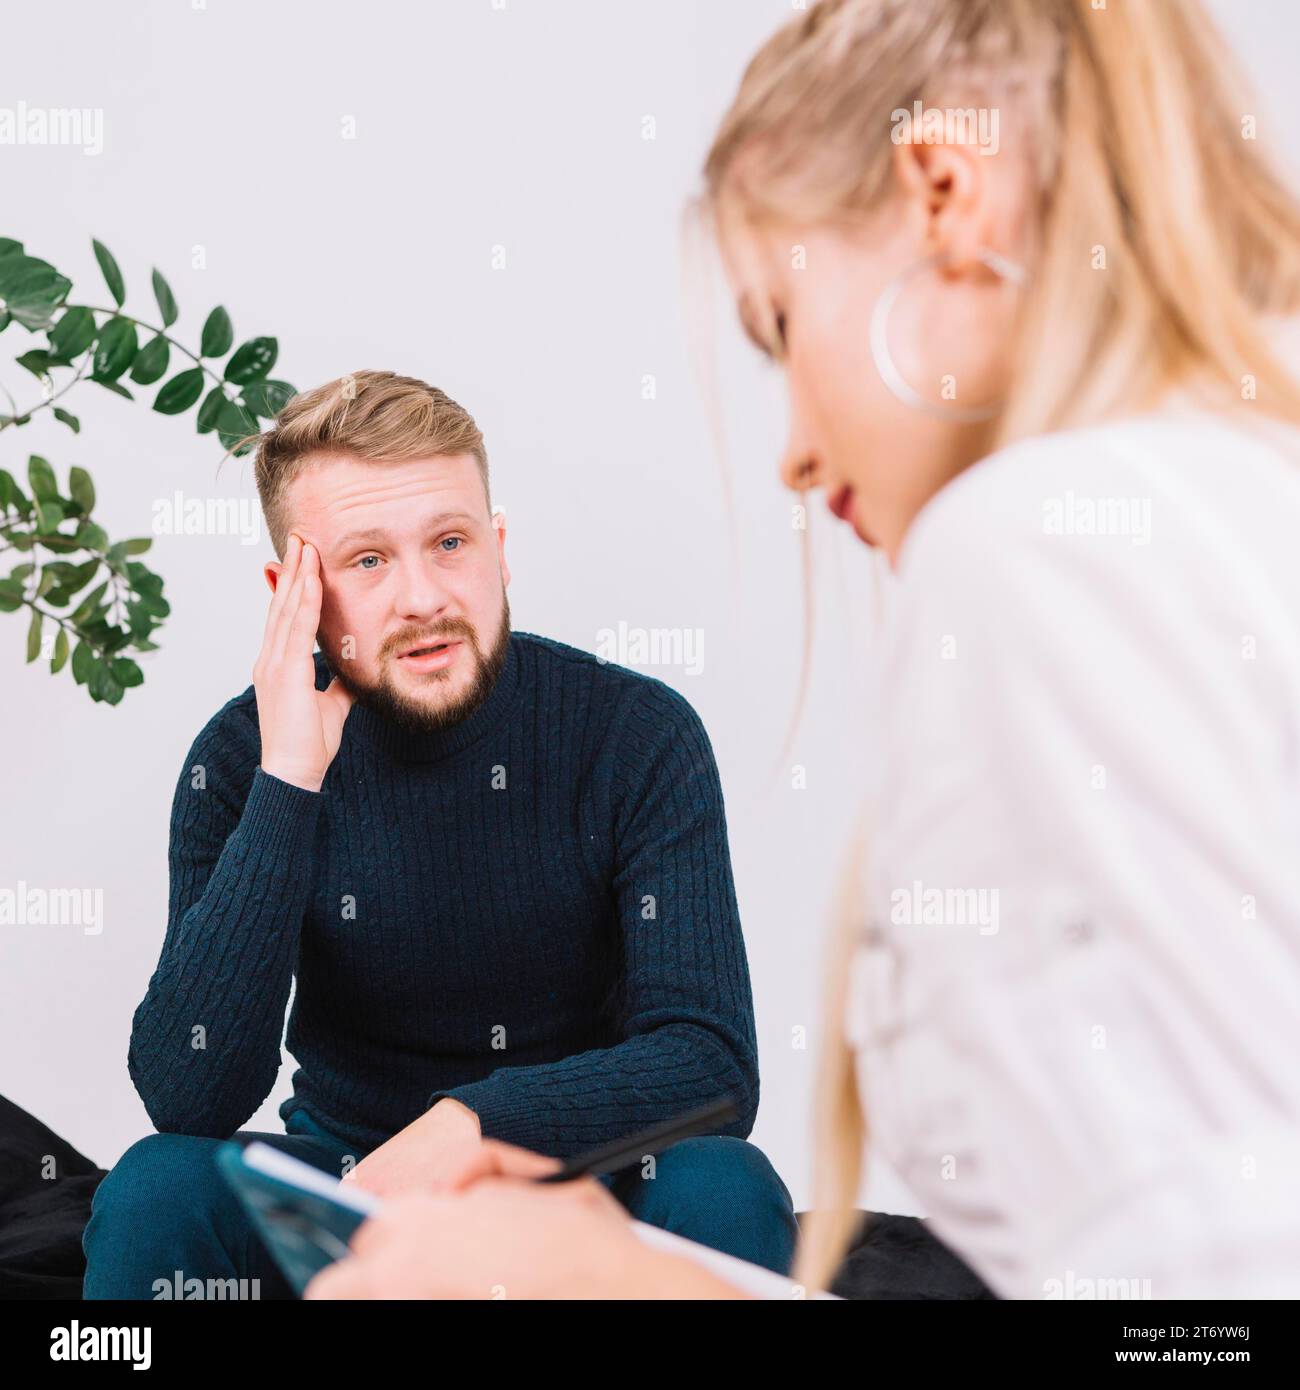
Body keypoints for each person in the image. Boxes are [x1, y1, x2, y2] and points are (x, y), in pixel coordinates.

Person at [305, 0, 1300, 1300]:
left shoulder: (1035, 542)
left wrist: (621, 1284)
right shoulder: (1224, 499)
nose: (791, 452)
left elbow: (1210, 1290)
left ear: (950, 195)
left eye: (782, 327)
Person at [81, 370, 798, 1299]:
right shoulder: (239, 760)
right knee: (155, 1188)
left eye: (450, 543)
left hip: (576, 1191)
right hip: (348, 1191)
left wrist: (474, 1123)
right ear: (291, 592)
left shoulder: (636, 735)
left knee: (723, 1185)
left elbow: (711, 1063)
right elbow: (189, 1095)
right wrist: (289, 780)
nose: (422, 597)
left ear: (498, 551)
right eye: (368, 561)